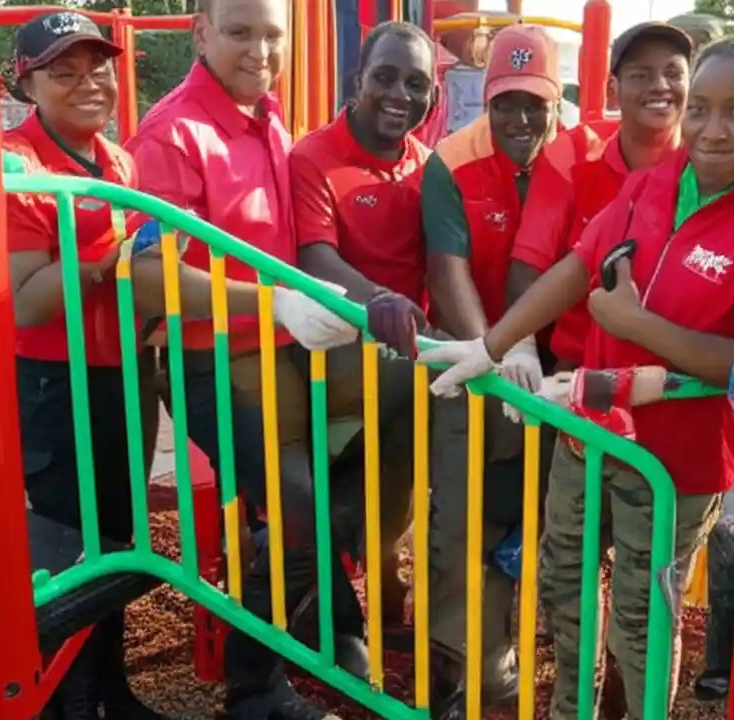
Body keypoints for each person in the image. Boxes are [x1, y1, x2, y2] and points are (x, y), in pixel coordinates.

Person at [420, 36, 734, 719]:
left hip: (676, 458)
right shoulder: (653, 184)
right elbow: (579, 265)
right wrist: (495, 344)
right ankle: (570, 711)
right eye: (700, 108)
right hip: (591, 431)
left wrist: (633, 325)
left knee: (643, 613)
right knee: (564, 582)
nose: (711, 128)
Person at [125, 1, 370, 718]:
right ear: (201, 34)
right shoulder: (173, 134)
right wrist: (276, 303)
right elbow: (146, 273)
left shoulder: (265, 114)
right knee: (298, 505)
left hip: (287, 350)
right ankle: (254, 686)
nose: (260, 51)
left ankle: (326, 614)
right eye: (240, 32)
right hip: (215, 359)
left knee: (403, 415)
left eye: (273, 36)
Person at [2, 12, 166, 720]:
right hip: (55, 385)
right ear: (26, 83)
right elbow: (30, 301)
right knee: (70, 550)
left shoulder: (117, 159)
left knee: (120, 540)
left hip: (120, 377)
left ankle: (112, 690)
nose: (87, 82)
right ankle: (65, 700)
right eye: (62, 71)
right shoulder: (18, 166)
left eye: (97, 66)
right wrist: (110, 262)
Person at [419, 23, 564, 718]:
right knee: (459, 517)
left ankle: (518, 660)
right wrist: (497, 354)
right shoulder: (451, 162)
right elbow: (447, 274)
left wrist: (532, 354)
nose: (520, 119)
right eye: (506, 102)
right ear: (488, 99)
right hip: (470, 357)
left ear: (556, 102)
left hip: (556, 368)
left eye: (534, 103)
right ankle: (463, 670)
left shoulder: (577, 158)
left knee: (533, 520)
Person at [288, 19, 437, 636]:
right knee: (438, 387)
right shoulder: (313, 157)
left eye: (417, 82)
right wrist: (380, 300)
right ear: (357, 81)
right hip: (332, 345)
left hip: (399, 348)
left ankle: (383, 563)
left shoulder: (428, 166)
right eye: (385, 76)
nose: (401, 94)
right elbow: (315, 256)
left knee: (419, 418)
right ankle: (370, 558)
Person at [509, 21, 693, 373]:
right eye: (641, 74)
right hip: (576, 375)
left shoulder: (706, 166)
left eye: (673, 73)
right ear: (612, 89)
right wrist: (520, 347)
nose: (660, 85)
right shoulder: (573, 153)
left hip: (674, 377)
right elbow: (529, 265)